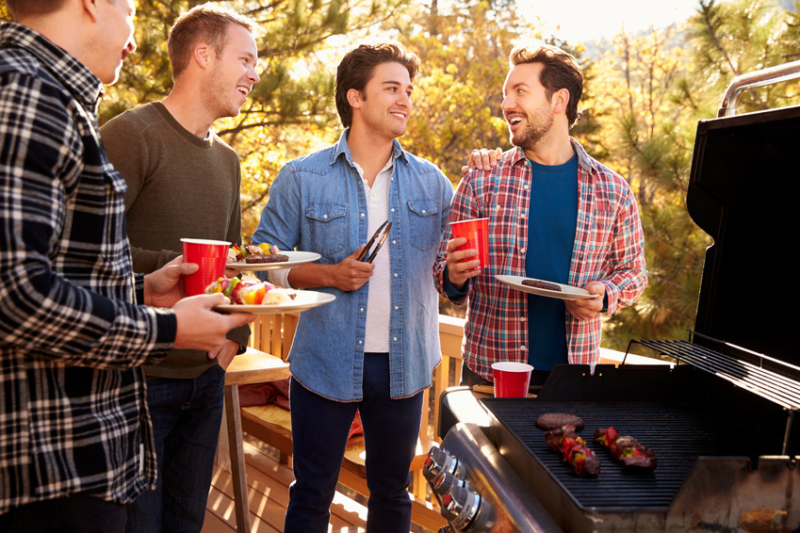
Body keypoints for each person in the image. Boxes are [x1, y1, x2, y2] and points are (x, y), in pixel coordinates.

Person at [0, 1, 253, 532]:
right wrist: (167, 328)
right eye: (131, 10)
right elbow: (16, 294)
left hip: (95, 439)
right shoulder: (29, 95)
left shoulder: (54, 99)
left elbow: (65, 265)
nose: (134, 40)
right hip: (54, 462)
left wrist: (141, 290)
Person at [252, 42, 453, 533]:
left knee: (392, 493)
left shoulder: (433, 183)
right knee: (312, 492)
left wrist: (461, 274)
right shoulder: (301, 176)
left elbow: (450, 274)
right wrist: (329, 275)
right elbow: (260, 262)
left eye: (408, 90)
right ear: (356, 97)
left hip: (405, 367)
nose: (405, 100)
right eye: (392, 88)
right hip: (325, 360)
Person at [99, 4, 259, 532]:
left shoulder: (228, 160)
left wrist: (235, 339)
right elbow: (89, 254)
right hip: (137, 382)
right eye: (245, 59)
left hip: (205, 379)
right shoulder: (131, 135)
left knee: (187, 523)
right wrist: (172, 266)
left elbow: (233, 258)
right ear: (203, 55)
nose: (254, 74)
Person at [434, 44, 647, 387]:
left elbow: (634, 272)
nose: (506, 104)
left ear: (558, 101)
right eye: (505, 94)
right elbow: (442, 273)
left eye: (520, 91)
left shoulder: (613, 190)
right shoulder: (481, 180)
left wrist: (605, 293)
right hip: (489, 375)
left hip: (572, 380)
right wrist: (454, 275)